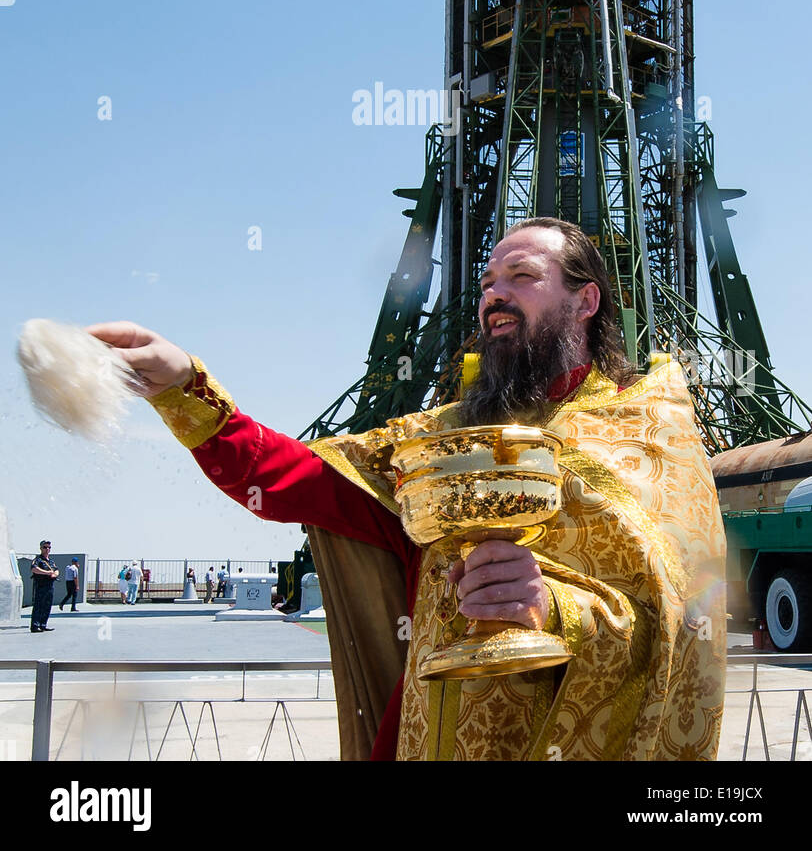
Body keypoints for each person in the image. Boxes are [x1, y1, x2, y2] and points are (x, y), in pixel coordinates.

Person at [86, 217, 726, 762]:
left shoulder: (647, 437)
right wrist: (179, 384)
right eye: (486, 284)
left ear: (586, 302)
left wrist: (552, 607)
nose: (494, 297)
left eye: (522, 278)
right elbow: (282, 480)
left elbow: (683, 623)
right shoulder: (437, 443)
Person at [30, 540, 59, 632]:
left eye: (49, 547)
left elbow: (56, 570)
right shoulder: (38, 559)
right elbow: (34, 569)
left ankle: (43, 624)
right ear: (41, 548)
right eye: (45, 547)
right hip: (40, 585)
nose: (47, 549)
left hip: (49, 585)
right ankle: (35, 625)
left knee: (47, 605)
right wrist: (47, 573)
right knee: (39, 605)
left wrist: (55, 574)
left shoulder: (51, 561)